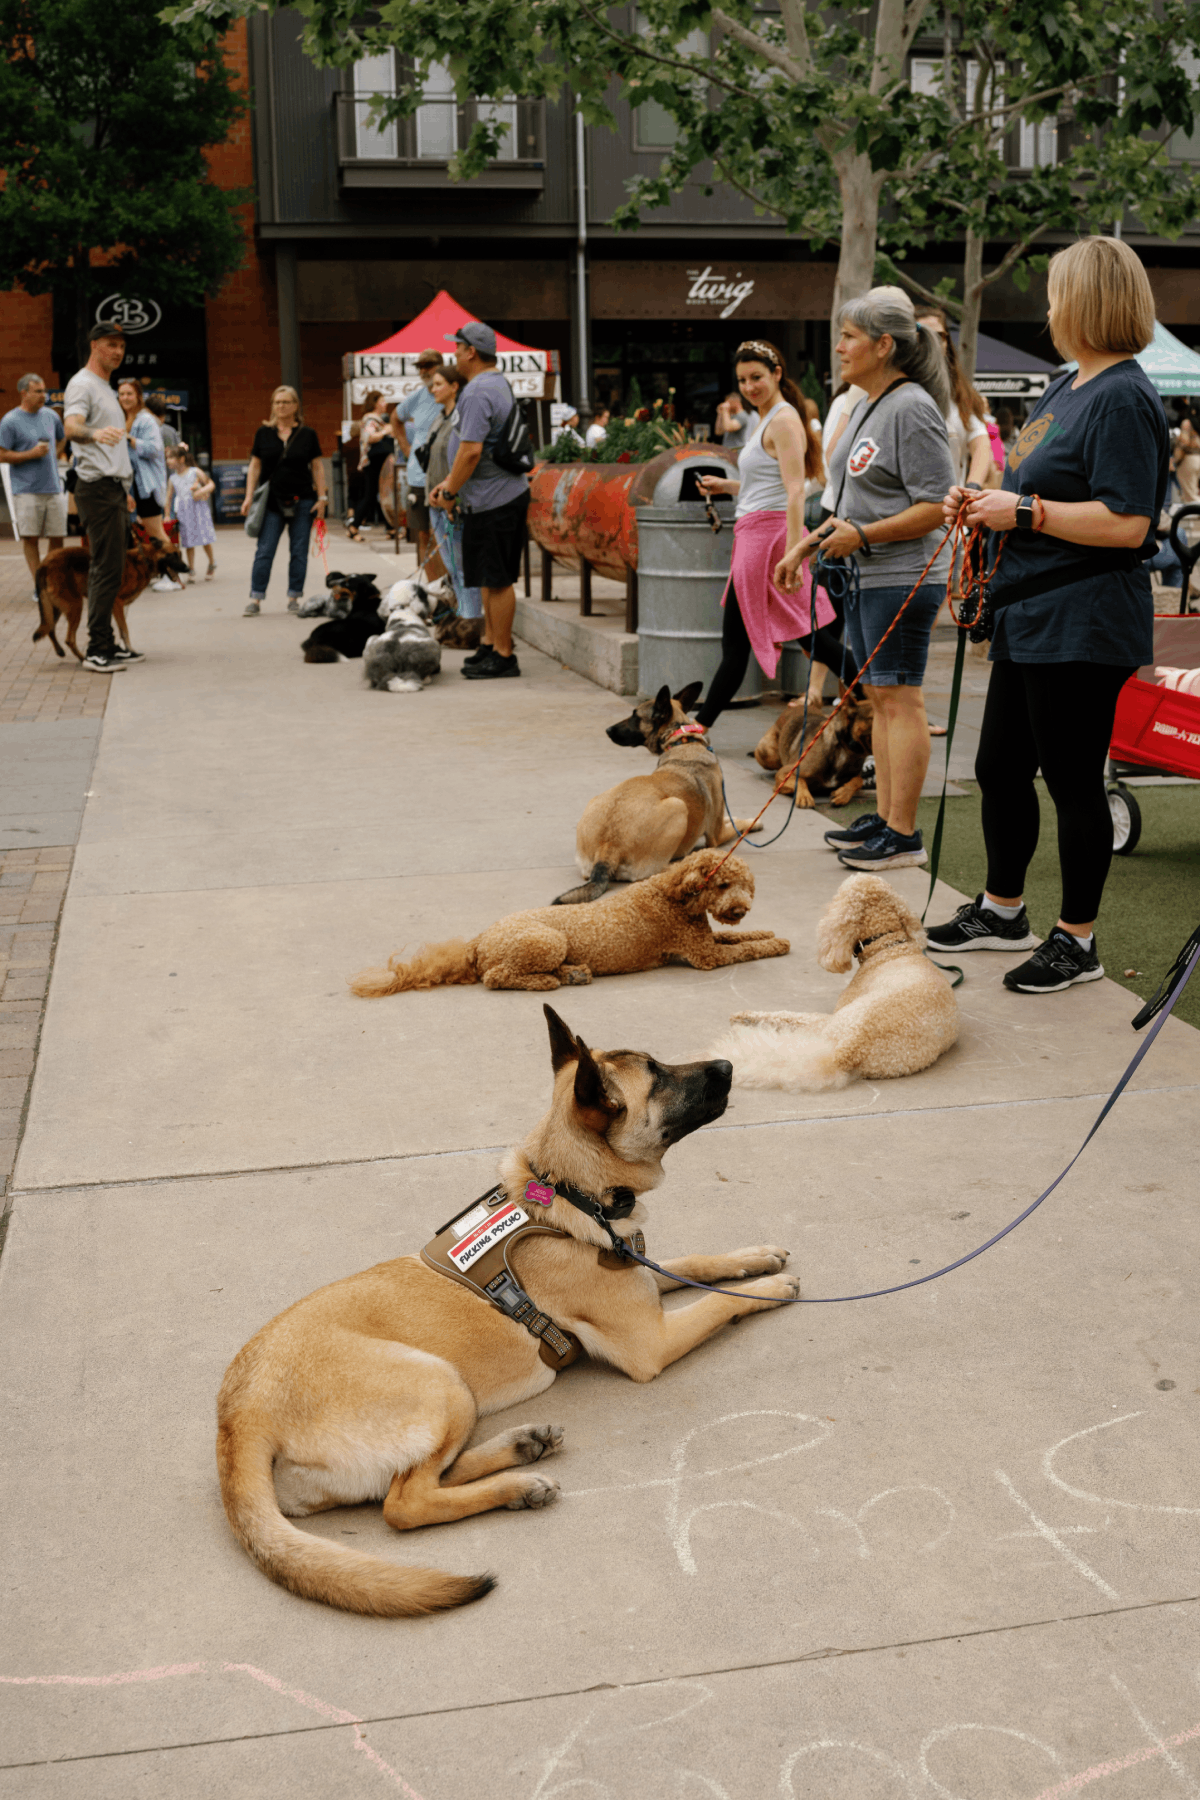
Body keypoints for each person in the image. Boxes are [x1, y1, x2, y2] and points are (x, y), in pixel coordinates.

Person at [926, 235, 1169, 994]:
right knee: (1000, 766)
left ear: (1091, 301)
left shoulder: (1124, 395)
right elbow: (1037, 488)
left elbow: (1130, 524)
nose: (1050, 306)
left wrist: (1022, 511)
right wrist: (986, 502)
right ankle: (1004, 909)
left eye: (1060, 292)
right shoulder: (1067, 385)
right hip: (1031, 614)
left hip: (1084, 618)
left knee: (1071, 780)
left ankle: (1078, 939)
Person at [775, 286, 955, 871]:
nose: (839, 347)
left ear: (884, 345)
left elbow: (937, 506)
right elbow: (851, 500)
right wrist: (805, 546)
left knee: (899, 701)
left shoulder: (912, 407)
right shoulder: (872, 403)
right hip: (866, 574)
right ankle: (886, 820)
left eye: (849, 336)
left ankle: (902, 834)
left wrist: (865, 537)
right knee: (880, 700)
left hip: (900, 576)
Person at [693, 340, 849, 730]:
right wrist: (726, 486)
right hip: (758, 537)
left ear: (777, 374)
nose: (749, 386)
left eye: (757, 377)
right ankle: (871, 693)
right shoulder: (767, 418)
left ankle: (697, 727)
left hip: (769, 540)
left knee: (759, 641)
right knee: (806, 636)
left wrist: (795, 552)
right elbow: (768, 483)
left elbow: (795, 490)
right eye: (743, 380)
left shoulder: (781, 419)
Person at [429, 320, 530, 682]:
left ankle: (504, 654)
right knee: (488, 578)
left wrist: (450, 491)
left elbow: (470, 452)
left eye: (457, 347)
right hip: (493, 498)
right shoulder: (495, 383)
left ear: (471, 351)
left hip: (494, 500)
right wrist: (449, 483)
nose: (453, 353)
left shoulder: (475, 392)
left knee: (498, 580)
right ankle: (489, 644)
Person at [63, 322, 137, 672]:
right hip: (97, 488)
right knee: (105, 568)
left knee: (113, 566)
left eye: (121, 346)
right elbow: (71, 427)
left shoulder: (106, 387)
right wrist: (94, 434)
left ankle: (106, 641)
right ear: (94, 345)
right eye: (111, 345)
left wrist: (126, 488)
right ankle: (96, 650)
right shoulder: (82, 384)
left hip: (113, 489)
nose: (118, 351)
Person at [240, 385, 326, 615]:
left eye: (285, 402)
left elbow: (317, 467)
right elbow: (255, 466)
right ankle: (256, 598)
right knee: (265, 550)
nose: (280, 406)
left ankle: (294, 597)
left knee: (299, 550)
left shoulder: (307, 434)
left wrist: (322, 498)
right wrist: (249, 496)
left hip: (304, 500)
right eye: (277, 402)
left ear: (295, 406)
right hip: (271, 502)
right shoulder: (263, 433)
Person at [425, 362, 483, 619]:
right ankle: (463, 614)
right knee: (451, 566)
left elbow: (466, 459)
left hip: (453, 502)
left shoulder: (462, 418)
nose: (433, 388)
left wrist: (453, 494)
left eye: (438, 384)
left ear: (454, 386)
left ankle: (471, 619)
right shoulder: (440, 418)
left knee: (462, 566)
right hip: (435, 501)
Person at [913, 304, 994, 488]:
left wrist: (972, 487)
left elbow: (982, 443)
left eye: (940, 336)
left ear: (947, 343)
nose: (933, 342)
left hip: (949, 510)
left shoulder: (959, 393)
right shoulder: (898, 391)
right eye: (924, 336)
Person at [0, 373, 67, 586]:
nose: (43, 396)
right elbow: (1, 454)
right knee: (31, 538)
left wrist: (54, 455)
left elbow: (62, 438)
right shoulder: (10, 421)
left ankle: (52, 578)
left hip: (53, 487)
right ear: (24, 393)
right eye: (38, 392)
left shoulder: (51, 416)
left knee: (57, 536)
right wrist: (31, 454)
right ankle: (40, 584)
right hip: (26, 489)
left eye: (44, 391)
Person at [117, 377, 177, 591]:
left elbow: (154, 449)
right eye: (121, 393)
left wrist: (129, 439)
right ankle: (160, 573)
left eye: (129, 394)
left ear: (138, 396)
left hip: (148, 485)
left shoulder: (146, 420)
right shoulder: (123, 418)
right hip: (133, 486)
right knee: (149, 533)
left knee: (156, 533)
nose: (124, 398)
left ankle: (172, 576)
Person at [392, 349, 443, 565]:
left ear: (441, 365)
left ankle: (449, 587)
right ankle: (429, 586)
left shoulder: (454, 393)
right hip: (419, 475)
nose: (424, 370)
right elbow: (396, 418)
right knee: (423, 534)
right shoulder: (418, 396)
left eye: (428, 365)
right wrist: (407, 450)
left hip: (445, 474)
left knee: (443, 535)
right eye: (420, 366)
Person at [165, 444, 216, 581]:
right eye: (167, 458)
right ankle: (191, 569)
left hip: (199, 510)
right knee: (188, 542)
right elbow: (168, 498)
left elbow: (210, 484)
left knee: (205, 539)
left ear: (181, 459)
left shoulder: (195, 472)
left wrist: (201, 491)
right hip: (184, 512)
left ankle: (212, 563)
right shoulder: (173, 479)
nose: (167, 461)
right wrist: (166, 515)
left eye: (171, 458)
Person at [346, 390, 388, 540]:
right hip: (374, 461)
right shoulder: (371, 419)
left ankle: (390, 528)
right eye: (382, 401)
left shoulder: (377, 419)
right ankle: (353, 527)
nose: (386, 404)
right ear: (375, 403)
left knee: (380, 493)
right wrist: (385, 432)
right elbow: (369, 437)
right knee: (371, 494)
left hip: (376, 461)